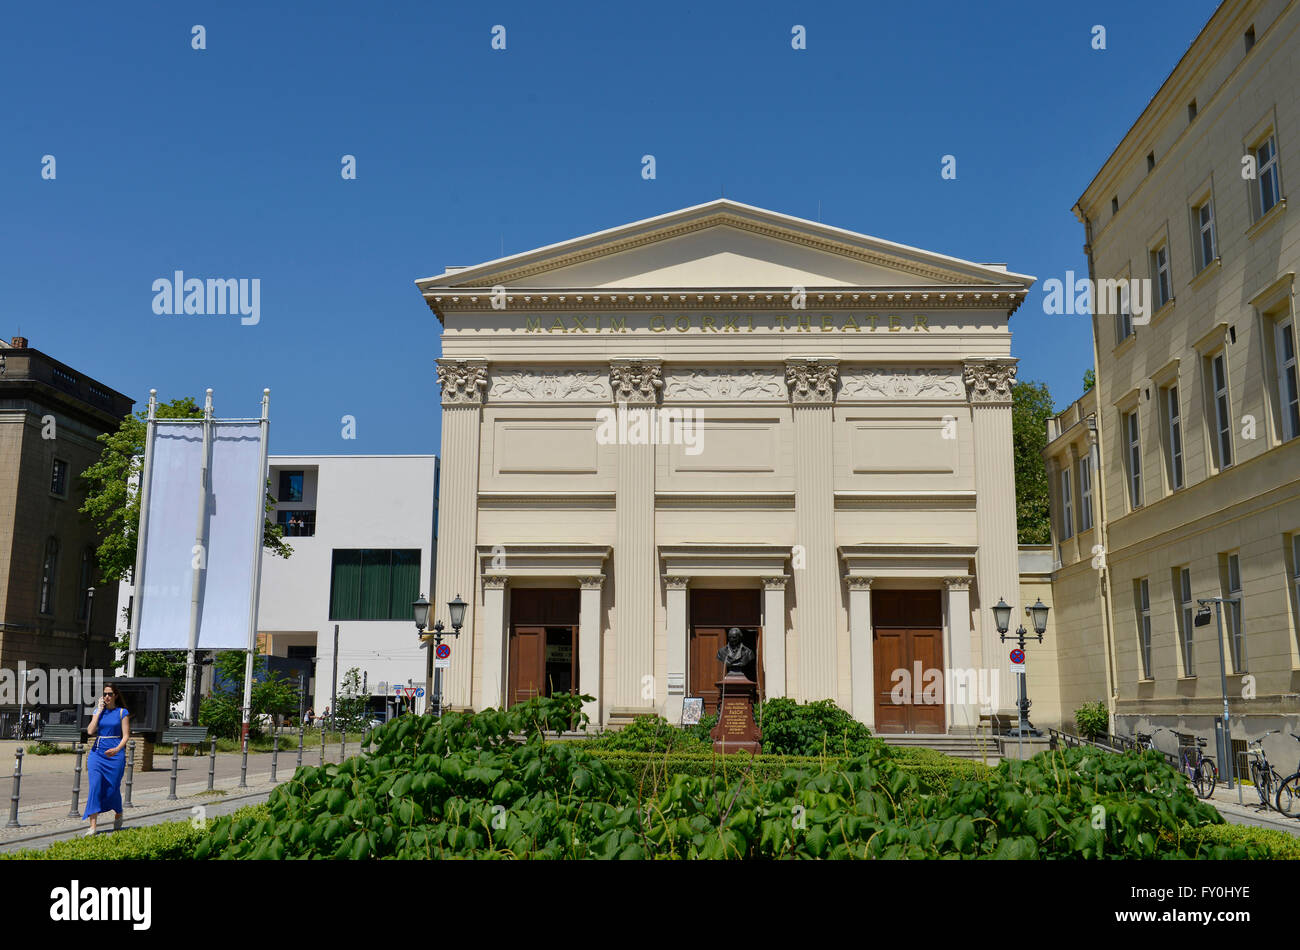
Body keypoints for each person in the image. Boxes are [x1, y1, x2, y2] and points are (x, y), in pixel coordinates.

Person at [83, 684, 130, 835]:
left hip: (115, 754)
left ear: (116, 695)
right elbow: (90, 731)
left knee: (112, 787)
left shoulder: (122, 712)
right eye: (104, 694)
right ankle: (93, 826)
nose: (107, 697)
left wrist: (117, 749)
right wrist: (98, 712)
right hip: (97, 754)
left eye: (110, 694)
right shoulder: (98, 711)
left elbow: (126, 736)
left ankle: (118, 811)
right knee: (95, 786)